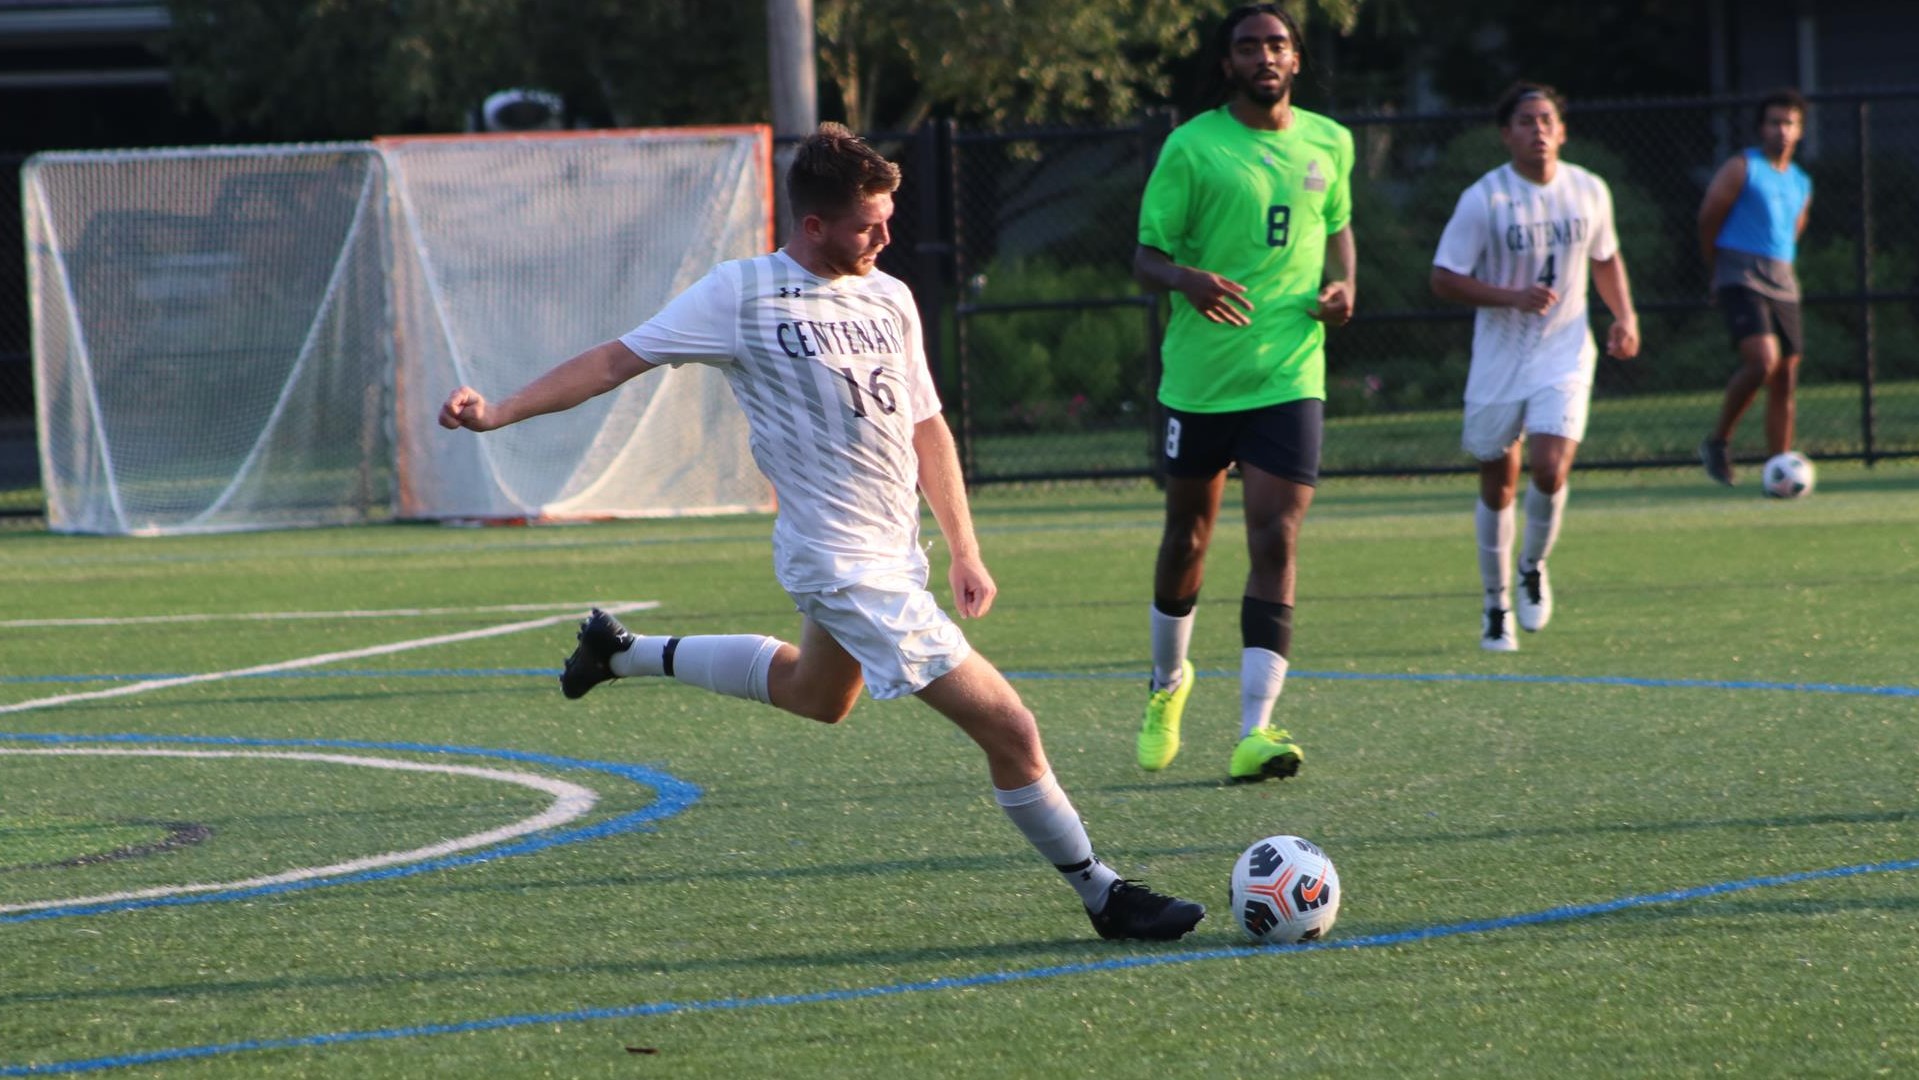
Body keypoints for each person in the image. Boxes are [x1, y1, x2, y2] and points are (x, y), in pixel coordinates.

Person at [438, 123, 1204, 943]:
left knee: (817, 695)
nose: (885, 236)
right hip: (839, 565)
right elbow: (612, 361)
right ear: (812, 227)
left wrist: (964, 548)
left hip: (893, 556)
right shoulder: (740, 294)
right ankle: (1103, 895)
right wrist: (500, 413)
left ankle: (618, 651)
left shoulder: (890, 295)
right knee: (1011, 729)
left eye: (887, 219)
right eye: (868, 224)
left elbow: (927, 427)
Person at [1130, 4, 1355, 782]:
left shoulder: (1331, 141)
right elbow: (1145, 257)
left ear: (1296, 59)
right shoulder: (1192, 147)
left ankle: (1255, 731)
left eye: (1277, 44)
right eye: (1249, 45)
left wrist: (1343, 284)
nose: (1265, 55)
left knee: (1274, 537)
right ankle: (1166, 684)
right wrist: (1185, 279)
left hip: (1290, 371)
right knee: (1188, 538)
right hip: (1199, 380)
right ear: (1227, 63)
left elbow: (1337, 224)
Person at [1429, 82, 1640, 651]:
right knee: (1498, 480)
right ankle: (1495, 603)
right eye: (1525, 121)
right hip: (1501, 356)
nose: (1538, 129)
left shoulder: (1588, 190)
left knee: (1550, 465)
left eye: (1547, 119)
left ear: (1562, 130)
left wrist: (1624, 315)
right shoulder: (1486, 199)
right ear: (1507, 134)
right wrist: (1509, 296)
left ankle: (1532, 566)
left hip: (1564, 350)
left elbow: (1605, 257)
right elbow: (1443, 277)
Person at [1697, 89, 1814, 486]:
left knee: (1785, 374)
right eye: (1775, 122)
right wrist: (1716, 269)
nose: (1782, 131)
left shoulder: (1800, 181)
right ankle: (1718, 441)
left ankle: (1779, 468)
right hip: (1739, 273)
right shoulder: (1742, 167)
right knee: (1763, 360)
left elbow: (1793, 232)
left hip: (1782, 278)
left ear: (1800, 130)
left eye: (1790, 123)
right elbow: (1709, 216)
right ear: (1761, 128)